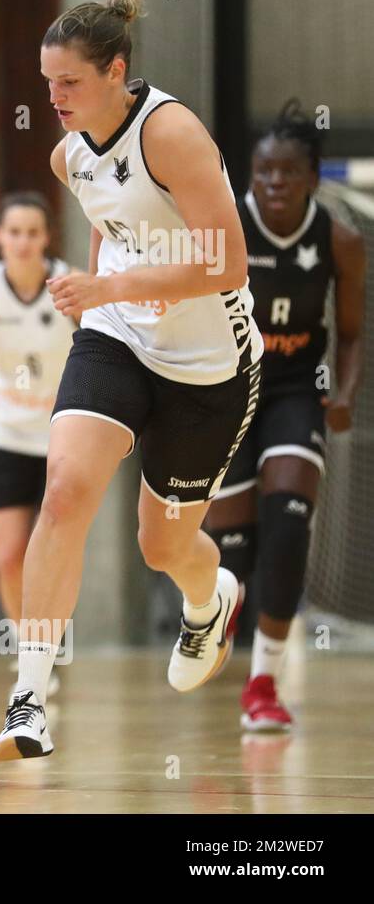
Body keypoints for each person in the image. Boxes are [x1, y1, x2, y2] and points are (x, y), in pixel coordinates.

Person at [0, 0, 264, 760]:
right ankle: (29, 699)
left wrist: (108, 287)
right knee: (67, 488)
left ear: (117, 71)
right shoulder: (68, 149)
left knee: (161, 547)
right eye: (47, 84)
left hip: (209, 361)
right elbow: (110, 229)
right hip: (118, 337)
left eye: (70, 83)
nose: (55, 99)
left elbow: (227, 261)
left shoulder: (171, 133)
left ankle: (208, 598)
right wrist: (96, 303)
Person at [205, 100, 366, 732]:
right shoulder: (227, 231)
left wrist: (346, 391)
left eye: (288, 173)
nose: (274, 183)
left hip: (297, 390)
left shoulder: (342, 241)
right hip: (228, 388)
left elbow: (349, 334)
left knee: (290, 525)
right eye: (263, 171)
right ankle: (217, 621)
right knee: (231, 553)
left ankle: (264, 682)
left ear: (312, 178)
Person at [0, 191, 76, 697]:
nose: (23, 242)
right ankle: (32, 655)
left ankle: (48, 644)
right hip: (5, 430)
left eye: (33, 232)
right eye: (14, 232)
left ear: (47, 237)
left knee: (54, 550)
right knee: (8, 556)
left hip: (60, 431)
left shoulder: (68, 285)